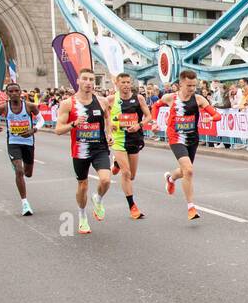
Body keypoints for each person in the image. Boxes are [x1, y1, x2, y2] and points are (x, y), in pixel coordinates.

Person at [53, 68, 113, 235]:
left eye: (91, 80)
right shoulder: (68, 103)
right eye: (85, 79)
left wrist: (109, 134)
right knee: (83, 185)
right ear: (78, 81)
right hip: (80, 150)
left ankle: (98, 199)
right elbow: (58, 129)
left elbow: (107, 118)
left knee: (106, 180)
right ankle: (82, 216)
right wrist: (74, 124)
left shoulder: (102, 101)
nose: (88, 82)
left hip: (99, 148)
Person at [156, 71, 213, 221]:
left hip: (192, 138)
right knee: (189, 170)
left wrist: (211, 119)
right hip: (175, 138)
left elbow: (216, 115)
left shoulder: (199, 99)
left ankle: (170, 178)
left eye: (194, 85)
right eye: (189, 85)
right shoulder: (171, 98)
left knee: (184, 171)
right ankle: (191, 207)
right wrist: (154, 121)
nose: (192, 88)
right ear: (181, 84)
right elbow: (155, 106)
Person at [107, 72, 152, 220]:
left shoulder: (138, 98)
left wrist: (139, 125)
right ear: (117, 84)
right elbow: (103, 116)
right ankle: (132, 206)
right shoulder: (111, 99)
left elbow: (149, 116)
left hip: (134, 139)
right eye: (123, 83)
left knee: (132, 176)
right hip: (119, 141)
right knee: (125, 174)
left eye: (128, 82)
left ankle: (116, 164)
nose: (126, 85)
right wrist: (110, 125)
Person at [0, 81, 37, 216]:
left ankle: (21, 168)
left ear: (20, 92)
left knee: (28, 173)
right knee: (19, 171)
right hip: (13, 142)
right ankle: (25, 204)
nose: (13, 93)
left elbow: (41, 120)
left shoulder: (29, 106)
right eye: (10, 91)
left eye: (16, 91)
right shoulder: (3, 108)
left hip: (28, 142)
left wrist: (34, 129)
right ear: (7, 94)